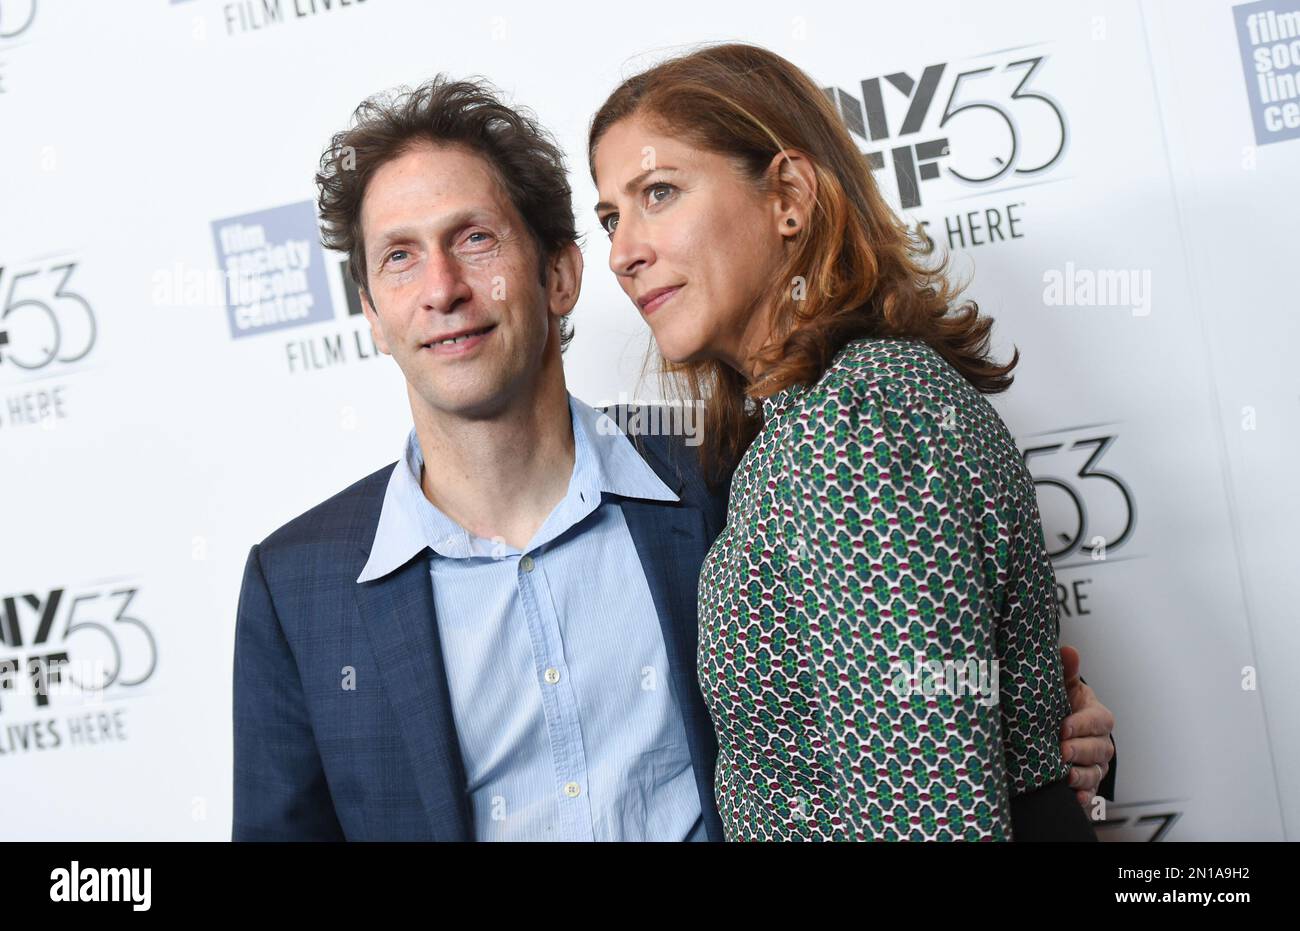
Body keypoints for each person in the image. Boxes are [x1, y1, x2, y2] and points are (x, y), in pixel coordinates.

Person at [232, 74, 1115, 842]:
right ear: (372, 315)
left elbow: (926, 734)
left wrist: (1051, 752)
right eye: (398, 257)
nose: (441, 289)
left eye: (475, 238)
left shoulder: (728, 476)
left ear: (561, 277)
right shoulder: (297, 588)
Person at [589, 42, 1111, 839]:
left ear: (790, 196)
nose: (625, 252)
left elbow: (933, 817)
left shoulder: (853, 427)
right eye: (611, 217)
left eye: (659, 192)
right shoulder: (815, 421)